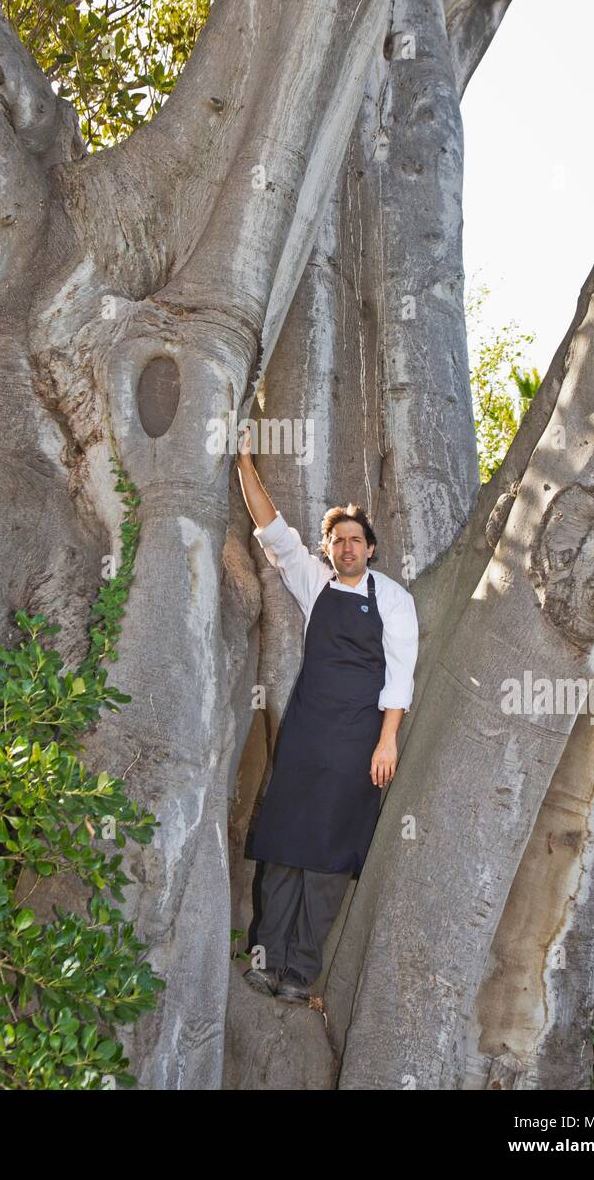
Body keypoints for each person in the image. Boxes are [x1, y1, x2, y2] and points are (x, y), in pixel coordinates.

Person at [236, 428, 418, 1004]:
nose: (346, 548)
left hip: (360, 742)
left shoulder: (392, 599)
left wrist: (387, 743)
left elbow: (399, 675)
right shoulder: (314, 585)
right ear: (327, 548)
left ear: (370, 547)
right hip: (307, 735)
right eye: (337, 540)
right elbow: (273, 532)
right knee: (285, 847)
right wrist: (244, 459)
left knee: (331, 859)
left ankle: (299, 974)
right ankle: (264, 961)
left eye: (355, 540)